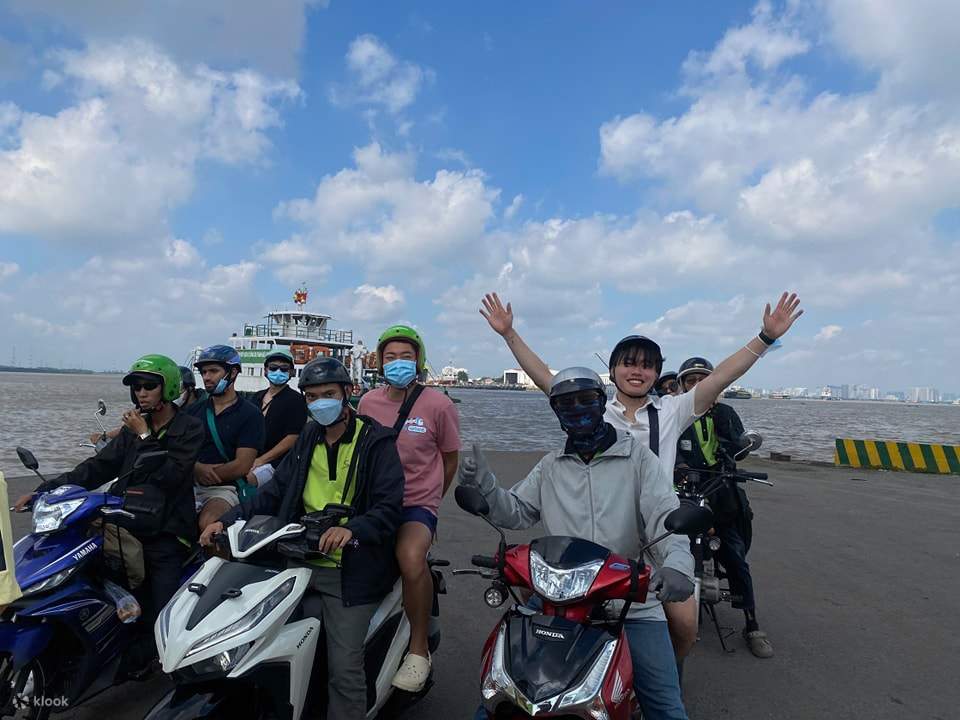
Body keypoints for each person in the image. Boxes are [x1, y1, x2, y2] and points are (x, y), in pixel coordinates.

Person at [479, 290, 802, 660]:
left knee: (684, 623)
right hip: (594, 528)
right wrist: (509, 334)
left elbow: (720, 378)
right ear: (613, 370)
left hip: (654, 535)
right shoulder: (591, 408)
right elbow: (546, 378)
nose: (638, 371)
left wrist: (765, 338)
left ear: (656, 373)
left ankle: (666, 674)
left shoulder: (671, 411)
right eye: (629, 363)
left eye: (647, 366)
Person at [460, 368, 693, 720]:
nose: (578, 409)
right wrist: (485, 485)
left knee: (664, 705)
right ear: (556, 412)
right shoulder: (551, 465)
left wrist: (677, 565)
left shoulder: (639, 460)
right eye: (566, 404)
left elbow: (666, 518)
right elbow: (517, 512)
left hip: (627, 601)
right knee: (497, 695)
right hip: (556, 597)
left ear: (602, 403)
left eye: (587, 400)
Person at [199, 357, 404, 719]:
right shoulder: (309, 436)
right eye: (311, 397)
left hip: (348, 570)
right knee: (250, 634)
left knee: (345, 668)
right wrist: (227, 520)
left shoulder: (377, 441)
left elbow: (389, 507)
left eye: (328, 394)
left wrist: (351, 529)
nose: (319, 402)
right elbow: (275, 490)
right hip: (297, 556)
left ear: (348, 393)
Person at [15, 354, 203, 670]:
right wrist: (48, 489)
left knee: (161, 609)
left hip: (167, 528)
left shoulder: (189, 427)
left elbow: (170, 475)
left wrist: (145, 435)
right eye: (136, 387)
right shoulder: (131, 430)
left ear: (167, 388)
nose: (141, 393)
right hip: (123, 518)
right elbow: (99, 467)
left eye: (148, 386)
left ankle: (158, 657)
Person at [358, 325, 460, 693]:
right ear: (379, 361)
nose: (398, 362)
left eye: (406, 356)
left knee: (411, 557)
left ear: (419, 360)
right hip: (375, 501)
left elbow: (449, 459)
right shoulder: (368, 402)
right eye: (390, 357)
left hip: (416, 503)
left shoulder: (438, 404)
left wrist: (432, 498)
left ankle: (418, 650)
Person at [675, 357, 773, 658]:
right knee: (665, 549)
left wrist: (734, 450)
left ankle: (752, 623)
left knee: (735, 556)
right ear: (682, 386)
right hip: (684, 493)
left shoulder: (727, 413)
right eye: (690, 381)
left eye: (703, 379)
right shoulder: (675, 414)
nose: (697, 385)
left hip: (721, 493)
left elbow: (739, 448)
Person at [186, 345, 264, 531]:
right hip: (188, 484)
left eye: (213, 371)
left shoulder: (250, 414)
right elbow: (178, 451)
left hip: (224, 489)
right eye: (204, 372)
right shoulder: (192, 412)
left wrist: (207, 474)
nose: (206, 377)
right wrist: (197, 469)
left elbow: (243, 465)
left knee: (210, 524)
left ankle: (217, 560)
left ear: (233, 372)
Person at [247, 349, 307, 486]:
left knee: (247, 481)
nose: (278, 372)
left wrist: (261, 460)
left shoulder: (296, 400)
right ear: (266, 371)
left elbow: (293, 437)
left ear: (291, 372)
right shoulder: (256, 397)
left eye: (284, 368)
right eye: (273, 368)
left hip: (277, 463)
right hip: (250, 458)